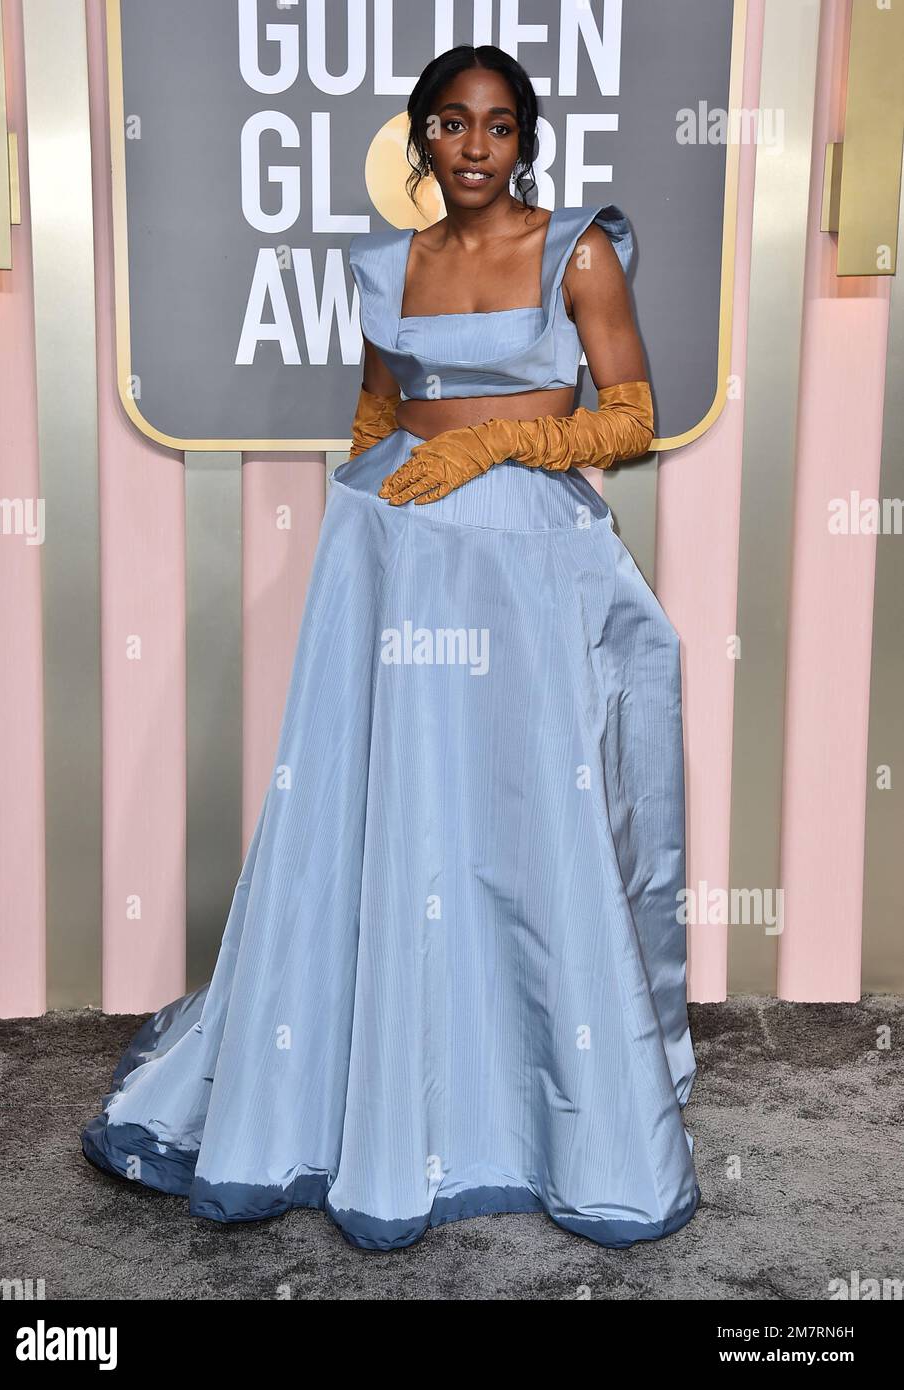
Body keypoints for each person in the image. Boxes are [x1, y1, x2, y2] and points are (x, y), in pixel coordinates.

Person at [81, 44, 701, 1252]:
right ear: (418, 138)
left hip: (521, 562)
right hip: (393, 553)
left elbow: (631, 416)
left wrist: (499, 446)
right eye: (451, 125)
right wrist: (372, 493)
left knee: (530, 810)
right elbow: (379, 407)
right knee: (390, 806)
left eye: (499, 126)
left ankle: (548, 1105)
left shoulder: (576, 249)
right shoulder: (384, 263)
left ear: (527, 140)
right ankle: (367, 1095)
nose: (475, 148)